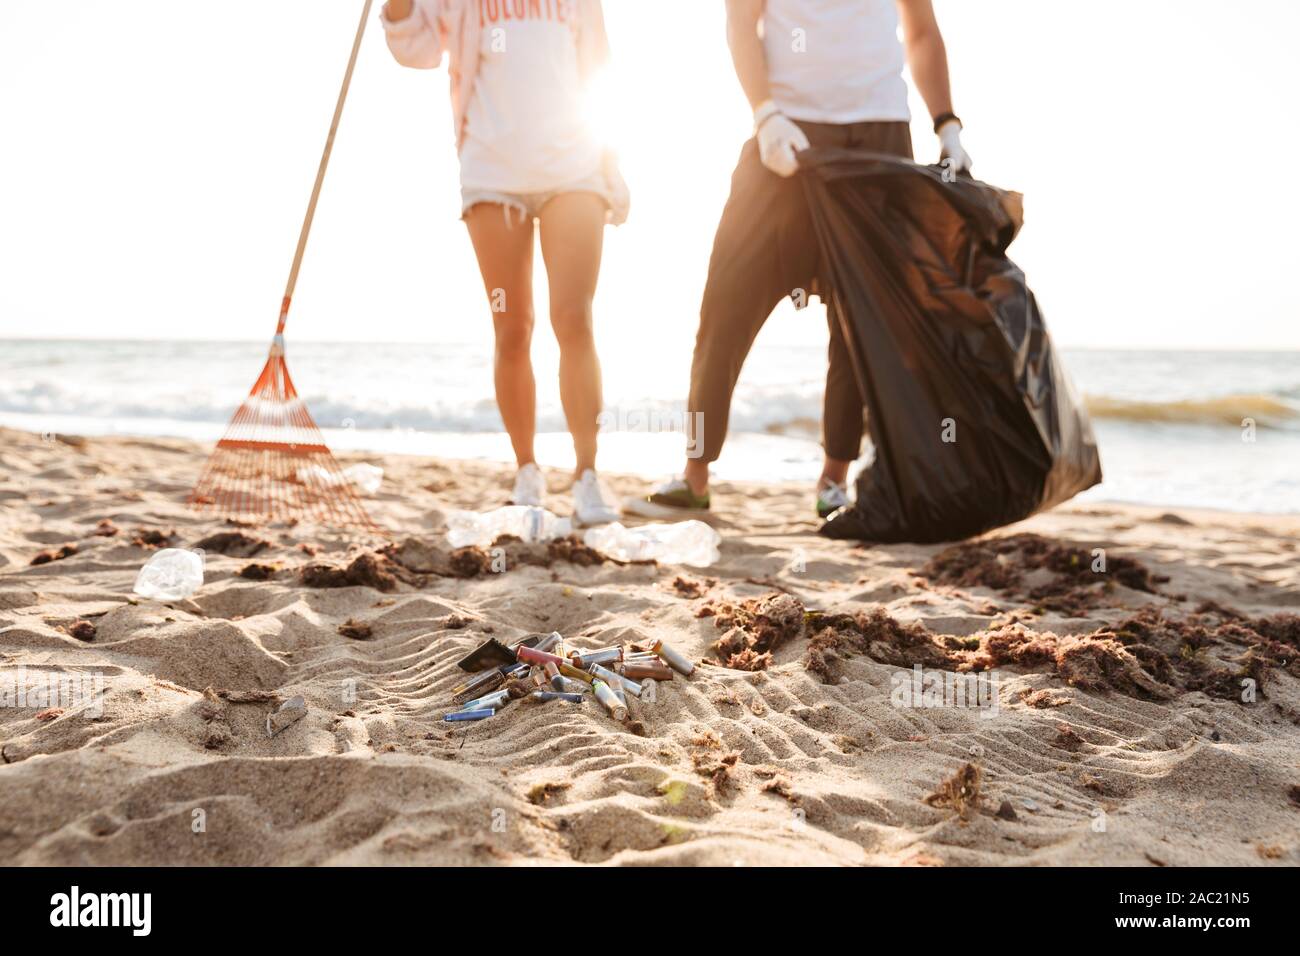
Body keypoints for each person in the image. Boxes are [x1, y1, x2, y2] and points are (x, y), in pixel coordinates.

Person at [627, 0, 971, 519]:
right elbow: (742, 21)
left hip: (877, 137)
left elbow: (921, 33)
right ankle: (694, 476)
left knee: (860, 316)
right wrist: (764, 114)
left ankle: (834, 481)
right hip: (786, 130)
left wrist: (947, 125)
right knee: (726, 304)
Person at [381, 0, 629, 524]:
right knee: (512, 326)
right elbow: (417, 48)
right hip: (493, 169)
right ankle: (527, 470)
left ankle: (587, 474)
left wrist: (612, 162)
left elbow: (599, 68)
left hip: (576, 167)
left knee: (574, 318)